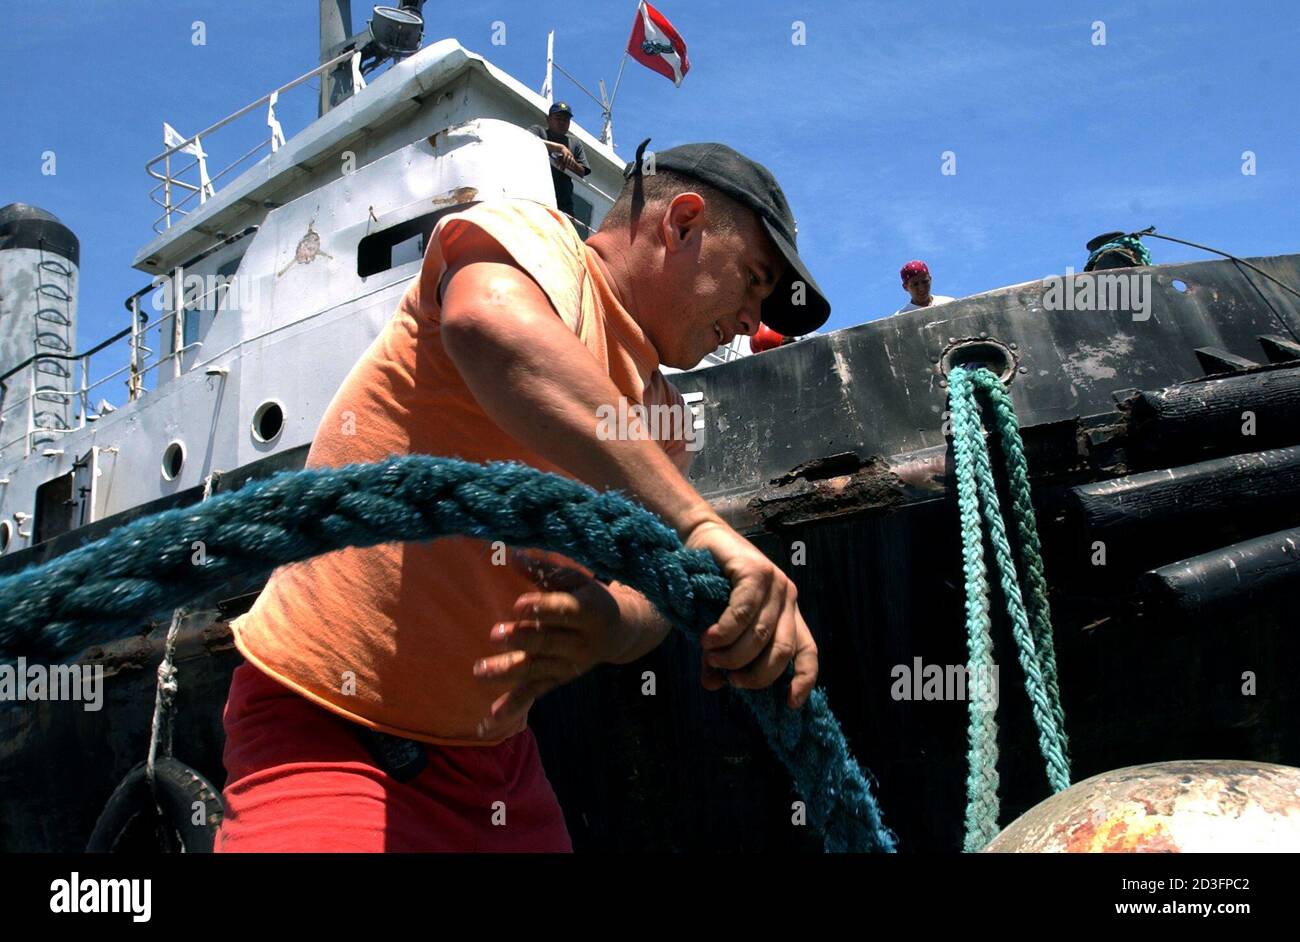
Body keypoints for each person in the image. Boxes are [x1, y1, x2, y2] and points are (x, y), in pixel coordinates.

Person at [214, 141, 832, 852]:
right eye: (752, 282)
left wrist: (609, 621)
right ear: (683, 223)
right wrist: (698, 524)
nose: (755, 320)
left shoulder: (663, 424)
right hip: (329, 734)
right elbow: (490, 325)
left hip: (495, 768)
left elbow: (654, 597)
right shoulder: (541, 243)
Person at [529, 101, 591, 219]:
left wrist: (569, 163)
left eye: (566, 120)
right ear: (548, 119)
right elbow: (527, 140)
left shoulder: (574, 143)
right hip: (535, 195)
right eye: (558, 118)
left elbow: (582, 171)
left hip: (563, 203)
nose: (562, 122)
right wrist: (559, 147)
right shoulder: (538, 131)